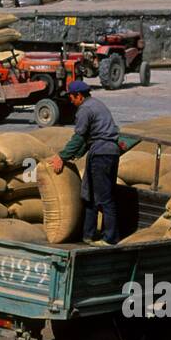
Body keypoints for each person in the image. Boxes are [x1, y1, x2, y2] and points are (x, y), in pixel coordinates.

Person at [49, 81, 121, 246]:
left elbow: (79, 137)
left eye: (72, 97)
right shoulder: (96, 104)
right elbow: (89, 138)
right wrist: (78, 154)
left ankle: (110, 238)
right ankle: (88, 235)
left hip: (102, 154)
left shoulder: (85, 109)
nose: (71, 101)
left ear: (79, 96)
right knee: (90, 195)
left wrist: (62, 156)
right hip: (105, 151)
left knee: (104, 197)